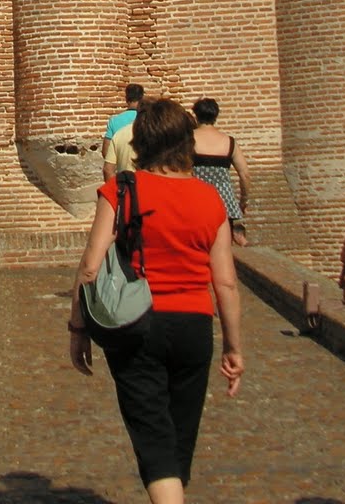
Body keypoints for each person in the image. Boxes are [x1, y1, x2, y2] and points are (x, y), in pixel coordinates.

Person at [70, 98, 244, 504]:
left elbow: (90, 268)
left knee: (153, 439)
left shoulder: (121, 190)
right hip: (194, 329)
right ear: (187, 144)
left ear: (140, 144)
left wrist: (78, 329)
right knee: (178, 441)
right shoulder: (209, 200)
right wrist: (234, 347)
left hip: (137, 326)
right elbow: (227, 283)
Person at [189, 98, 251, 246]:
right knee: (223, 247)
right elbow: (245, 174)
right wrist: (243, 200)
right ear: (216, 116)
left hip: (196, 200)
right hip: (224, 202)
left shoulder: (188, 139)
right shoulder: (229, 142)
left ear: (196, 115)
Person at [102, 83, 146, 181]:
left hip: (124, 178)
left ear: (126, 99)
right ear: (142, 98)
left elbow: (106, 152)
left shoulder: (114, 121)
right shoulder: (148, 120)